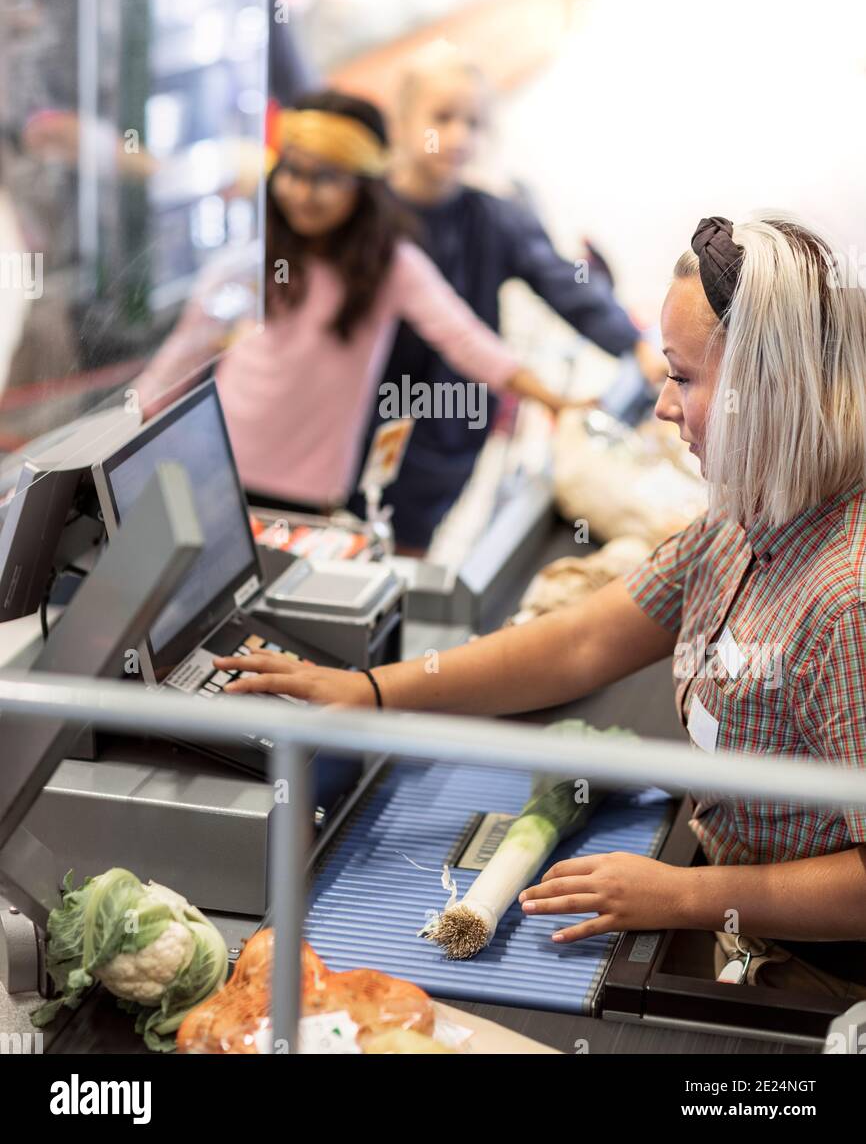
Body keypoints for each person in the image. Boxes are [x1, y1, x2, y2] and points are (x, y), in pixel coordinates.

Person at [218, 214, 866, 993]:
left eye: (684, 377)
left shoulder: (844, 603)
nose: (662, 406)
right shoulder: (745, 514)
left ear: (771, 388)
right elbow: (583, 643)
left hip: (823, 966)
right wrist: (370, 692)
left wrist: (686, 898)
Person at [133, 90, 578, 512]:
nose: (302, 193)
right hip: (215, 466)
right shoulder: (250, 260)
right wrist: (121, 428)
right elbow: (181, 355)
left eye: (325, 177)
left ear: (363, 187)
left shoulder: (393, 267)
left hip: (311, 490)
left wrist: (553, 401)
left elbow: (466, 340)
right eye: (291, 171)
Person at [348, 44, 667, 551]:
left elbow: (562, 280)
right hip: (358, 411)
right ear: (403, 120)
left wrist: (634, 342)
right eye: (443, 118)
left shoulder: (493, 218)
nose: (458, 136)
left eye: (474, 124)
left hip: (452, 422)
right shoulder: (363, 213)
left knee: (408, 547)